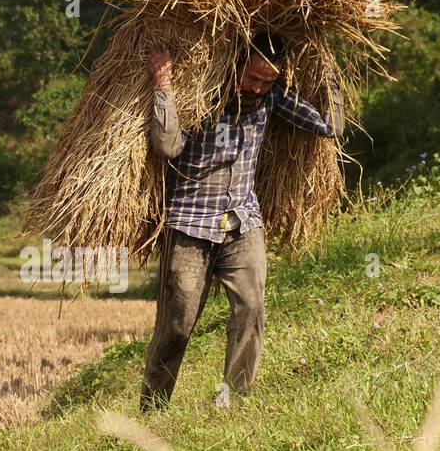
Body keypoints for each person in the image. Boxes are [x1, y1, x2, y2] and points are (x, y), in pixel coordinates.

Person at [140, 32, 342, 410]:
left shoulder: (270, 100)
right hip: (190, 226)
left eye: (268, 81)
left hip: (242, 222)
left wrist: (328, 72)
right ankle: (153, 409)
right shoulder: (204, 95)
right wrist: (163, 85)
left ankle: (232, 403)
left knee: (251, 308)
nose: (259, 88)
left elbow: (329, 126)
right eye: (254, 78)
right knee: (177, 327)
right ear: (236, 65)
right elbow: (168, 146)